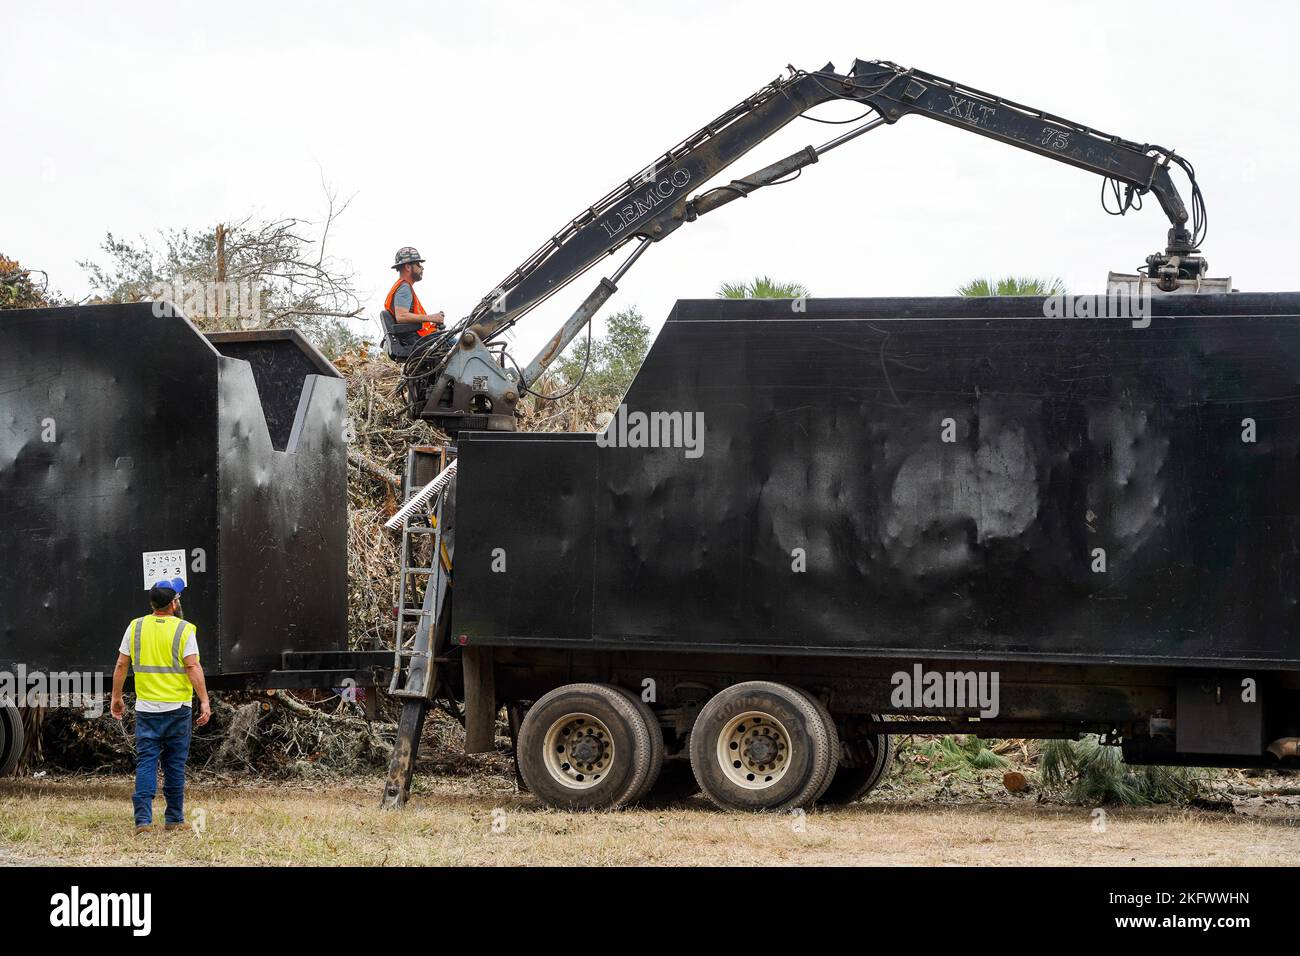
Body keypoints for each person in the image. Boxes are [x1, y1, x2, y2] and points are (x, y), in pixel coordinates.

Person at [110, 578, 210, 835]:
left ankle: (143, 821)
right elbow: (192, 666)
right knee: (174, 764)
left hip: (146, 709)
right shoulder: (184, 630)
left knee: (146, 762)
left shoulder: (135, 627)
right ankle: (174, 819)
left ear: (152, 603)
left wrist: (117, 697)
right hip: (177, 708)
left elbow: (122, 665)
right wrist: (204, 700)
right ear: (174, 604)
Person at [384, 246, 446, 342]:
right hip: (417, 340)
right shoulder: (404, 287)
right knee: (463, 345)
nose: (422, 268)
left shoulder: (402, 286)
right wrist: (432, 318)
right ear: (408, 267)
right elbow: (401, 317)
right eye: (418, 264)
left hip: (416, 338)